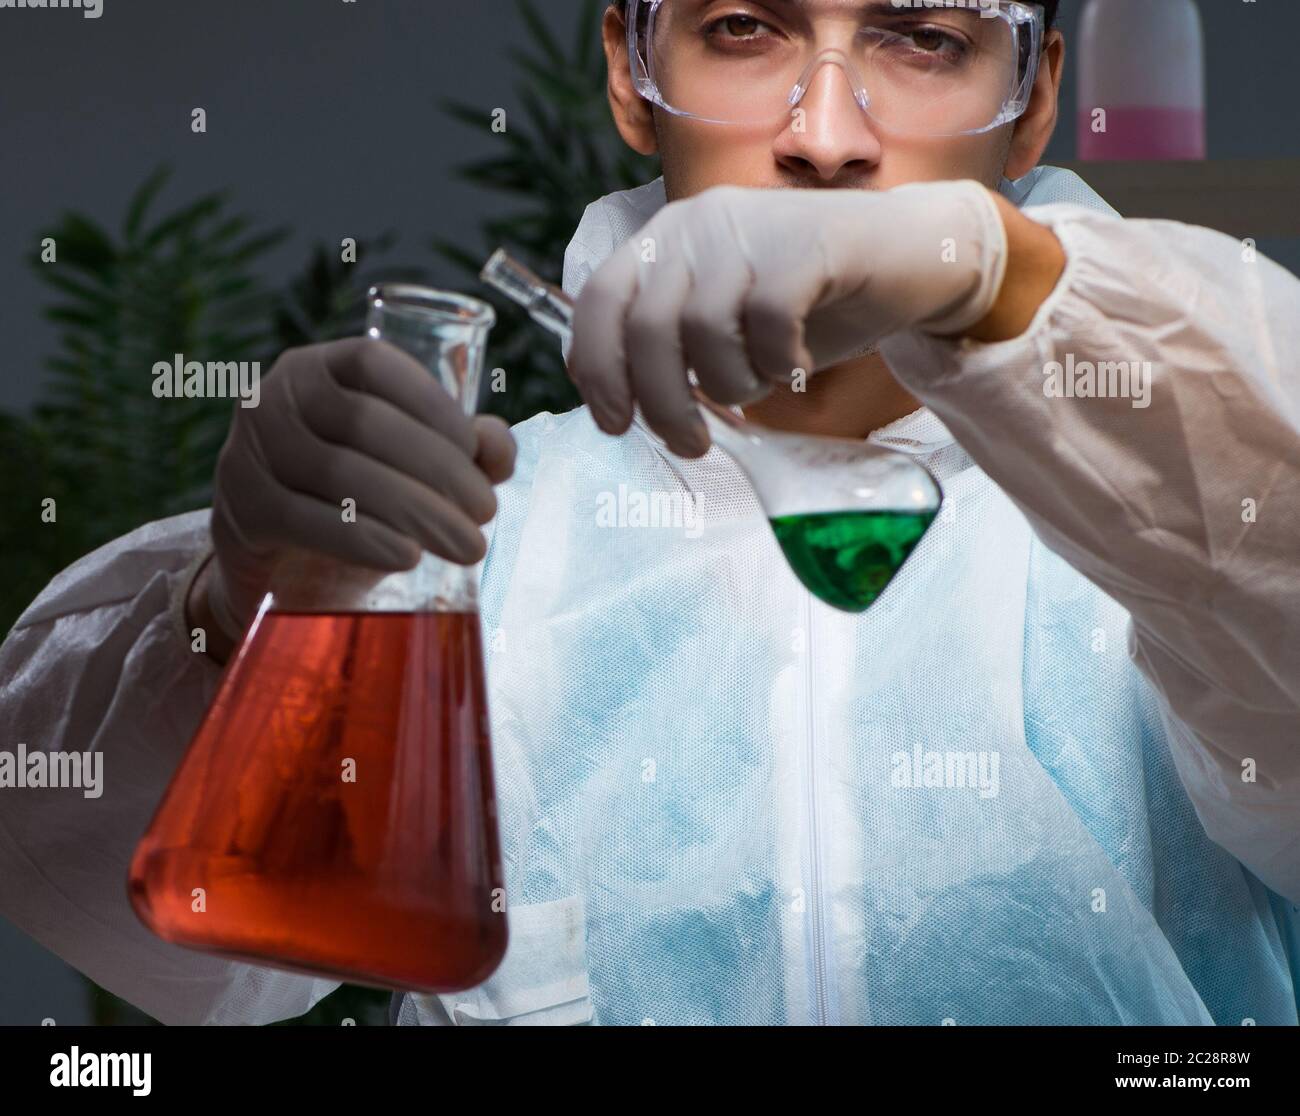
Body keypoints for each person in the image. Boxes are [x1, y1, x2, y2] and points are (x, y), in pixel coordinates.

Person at [1, 0, 1297, 1025]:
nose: (828, 134)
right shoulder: (476, 546)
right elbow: (119, 914)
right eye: (745, 27)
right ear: (630, 70)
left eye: (925, 36)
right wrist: (240, 620)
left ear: (1035, 106)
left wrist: (988, 275)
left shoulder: (1174, 515)